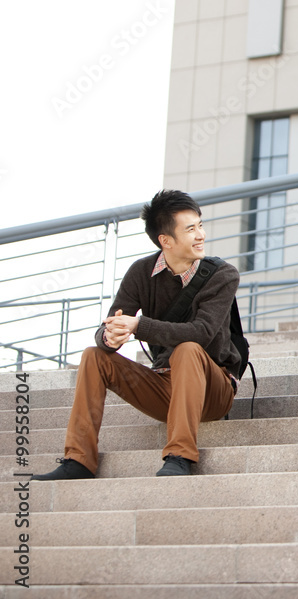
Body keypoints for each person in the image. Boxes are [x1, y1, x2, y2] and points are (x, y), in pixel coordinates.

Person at [32, 190, 241, 479]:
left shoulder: (222, 274)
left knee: (188, 348)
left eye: (200, 226)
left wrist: (138, 326)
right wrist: (110, 338)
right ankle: (78, 460)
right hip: (165, 385)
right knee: (94, 356)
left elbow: (202, 333)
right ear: (165, 240)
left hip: (212, 388)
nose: (201, 235)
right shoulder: (141, 272)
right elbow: (112, 323)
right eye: (190, 229)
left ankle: (180, 455)